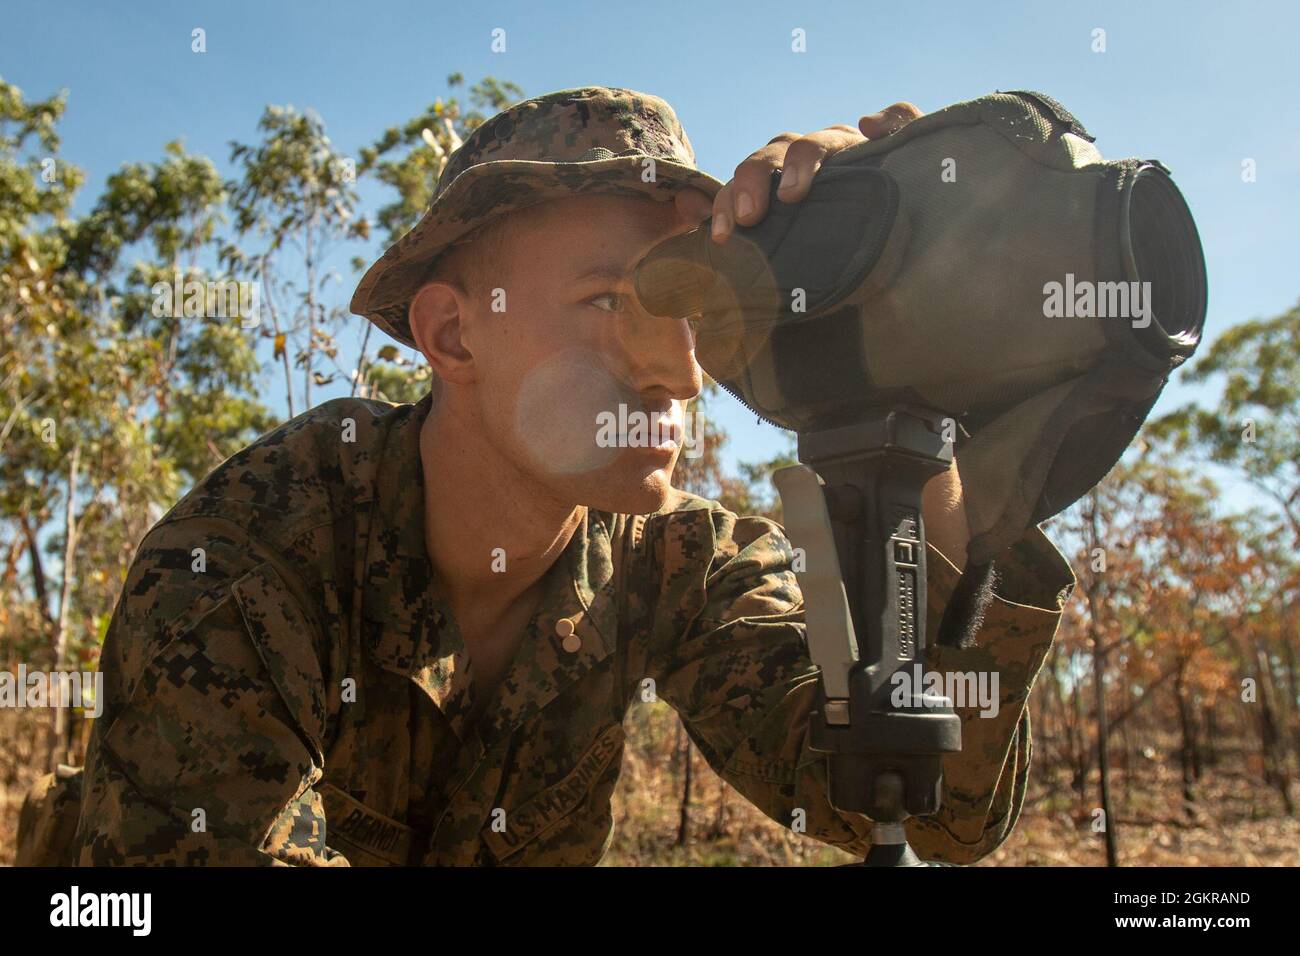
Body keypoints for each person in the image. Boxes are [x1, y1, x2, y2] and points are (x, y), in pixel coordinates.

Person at [41, 87, 1074, 866]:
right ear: (452, 333)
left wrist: (930, 433)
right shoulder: (252, 550)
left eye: (690, 306)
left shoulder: (679, 557)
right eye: (606, 303)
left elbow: (923, 808)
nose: (678, 368)